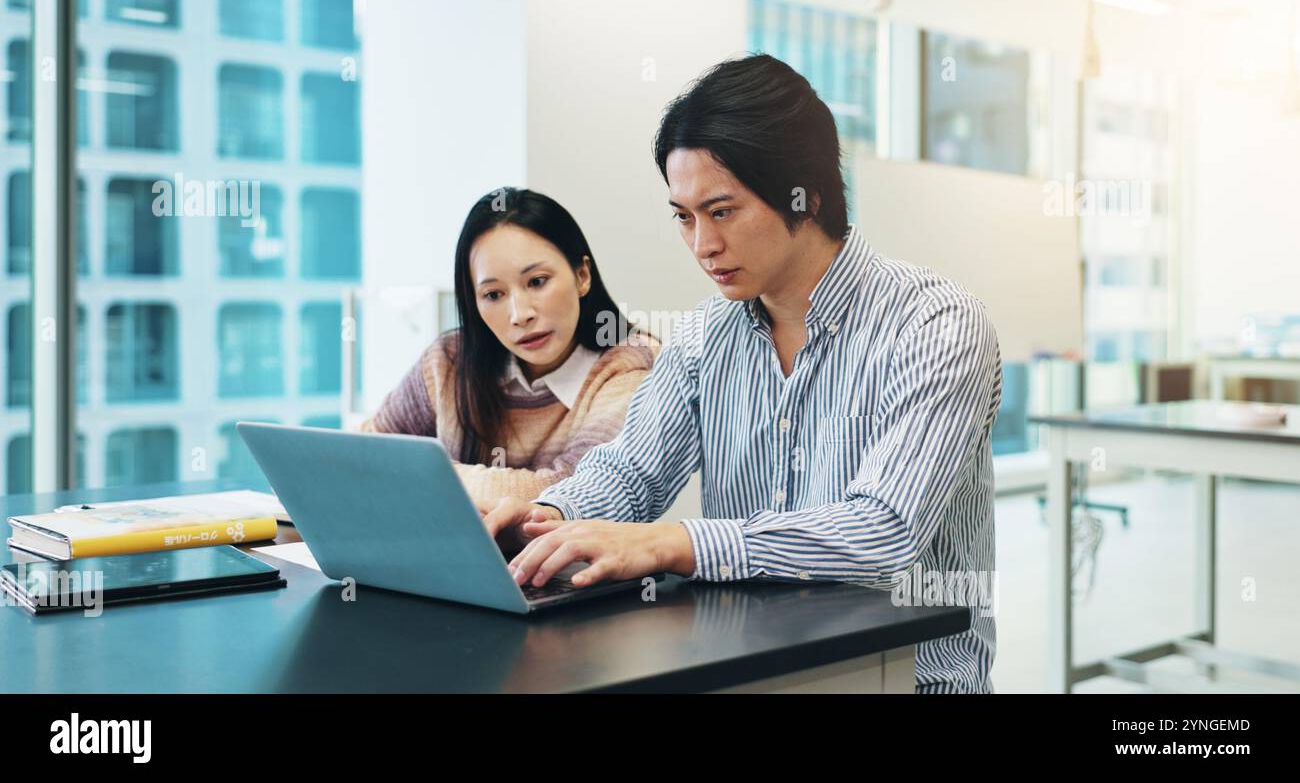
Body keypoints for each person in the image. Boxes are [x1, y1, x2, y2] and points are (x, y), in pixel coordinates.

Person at [484, 55, 1003, 694]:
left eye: (721, 211)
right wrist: (546, 518)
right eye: (683, 216)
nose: (701, 244)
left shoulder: (937, 324)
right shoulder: (705, 337)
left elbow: (883, 529)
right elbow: (632, 473)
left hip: (901, 678)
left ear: (805, 194)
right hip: (748, 670)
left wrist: (679, 544)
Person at [361, 187, 657, 510]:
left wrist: (430, 476)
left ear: (582, 275)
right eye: (493, 295)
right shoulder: (449, 361)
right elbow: (365, 455)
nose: (520, 315)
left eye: (537, 282)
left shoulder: (628, 365)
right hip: (447, 558)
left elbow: (572, 495)